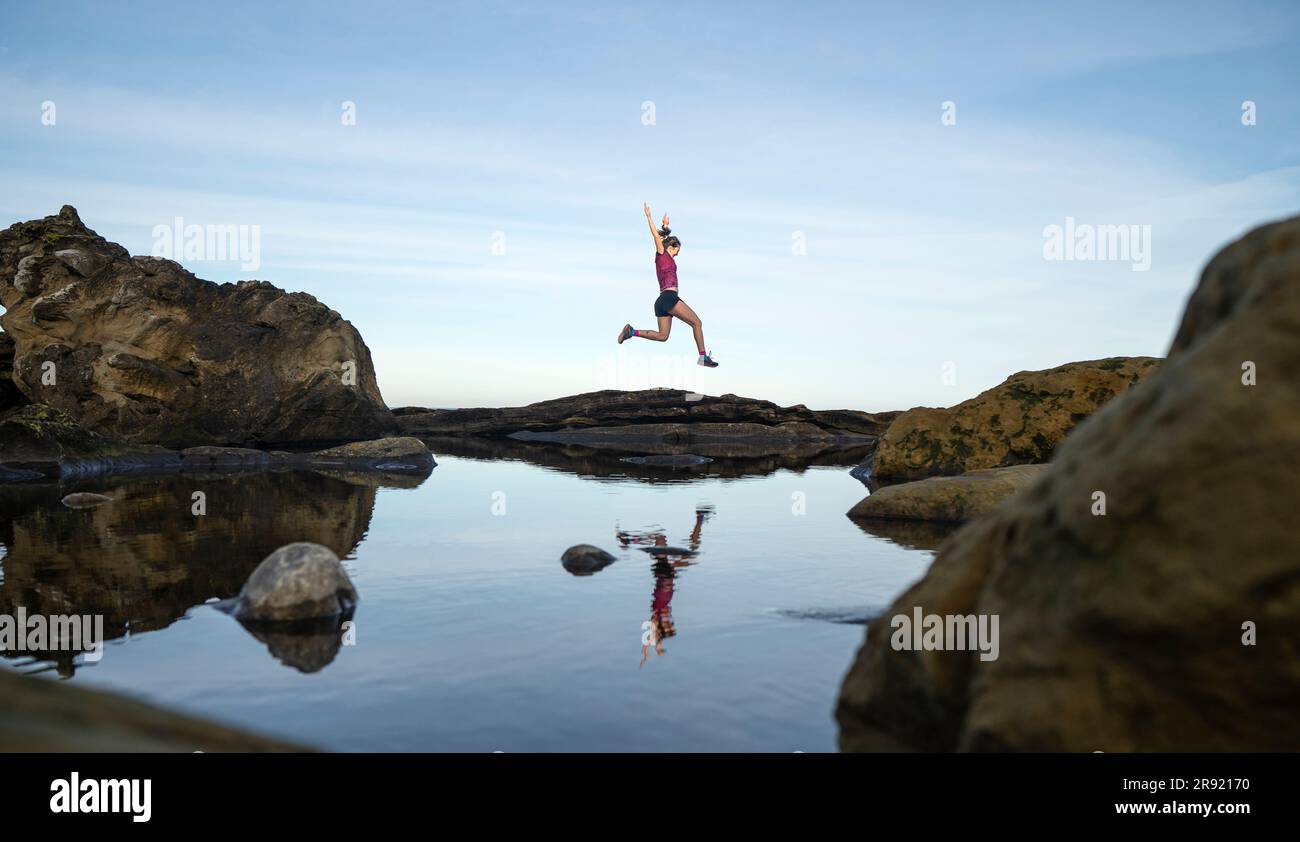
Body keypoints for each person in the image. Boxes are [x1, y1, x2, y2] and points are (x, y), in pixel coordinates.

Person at [617, 203, 719, 367]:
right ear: (672, 247)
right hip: (669, 298)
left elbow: (663, 236)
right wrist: (649, 217)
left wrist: (665, 226)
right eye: (677, 249)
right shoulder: (661, 253)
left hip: (661, 302)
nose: (678, 252)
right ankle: (703, 357)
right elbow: (657, 238)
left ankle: (631, 331)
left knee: (663, 336)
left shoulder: (665, 256)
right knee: (697, 323)